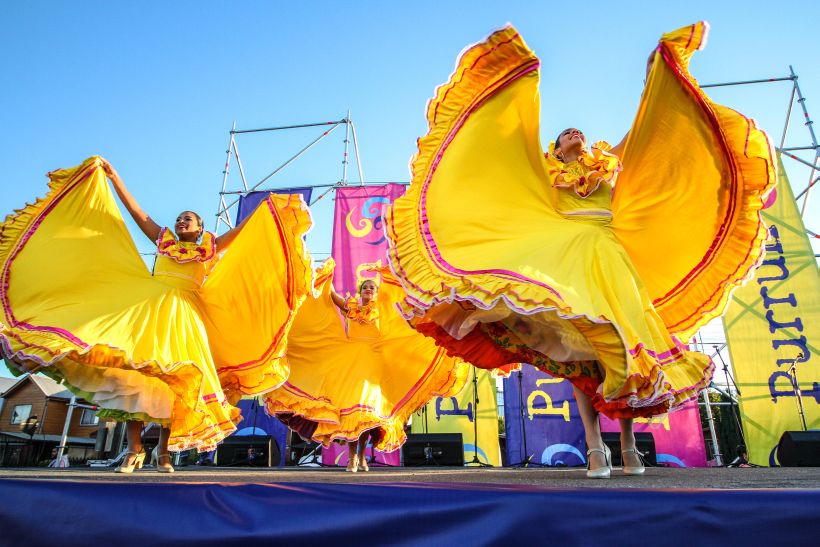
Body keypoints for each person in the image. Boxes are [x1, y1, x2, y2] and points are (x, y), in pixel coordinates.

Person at [385, 23, 775, 478]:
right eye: (567, 132)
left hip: (609, 253)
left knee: (626, 350)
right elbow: (509, 184)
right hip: (567, 255)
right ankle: (595, 448)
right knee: (583, 360)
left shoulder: (608, 165)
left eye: (579, 132)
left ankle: (628, 447)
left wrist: (659, 75)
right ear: (556, 148)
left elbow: (647, 135)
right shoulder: (547, 176)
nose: (576, 132)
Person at [0, 157, 313, 474]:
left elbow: (243, 232)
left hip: (184, 320)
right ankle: (133, 451)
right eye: (179, 218)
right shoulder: (162, 240)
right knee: (138, 378)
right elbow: (138, 213)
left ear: (200, 228)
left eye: (187, 219)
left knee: (174, 385)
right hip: (149, 313)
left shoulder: (211, 247)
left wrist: (265, 208)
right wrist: (115, 178)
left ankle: (163, 454)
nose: (181, 222)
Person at [264, 260, 468, 473]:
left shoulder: (382, 308)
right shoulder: (350, 306)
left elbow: (403, 305)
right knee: (354, 413)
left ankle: (361, 457)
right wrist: (325, 274)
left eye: (372, 287)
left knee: (366, 415)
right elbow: (329, 294)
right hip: (351, 362)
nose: (369, 290)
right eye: (366, 287)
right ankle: (352, 459)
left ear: (376, 292)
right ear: (360, 291)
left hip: (373, 363)